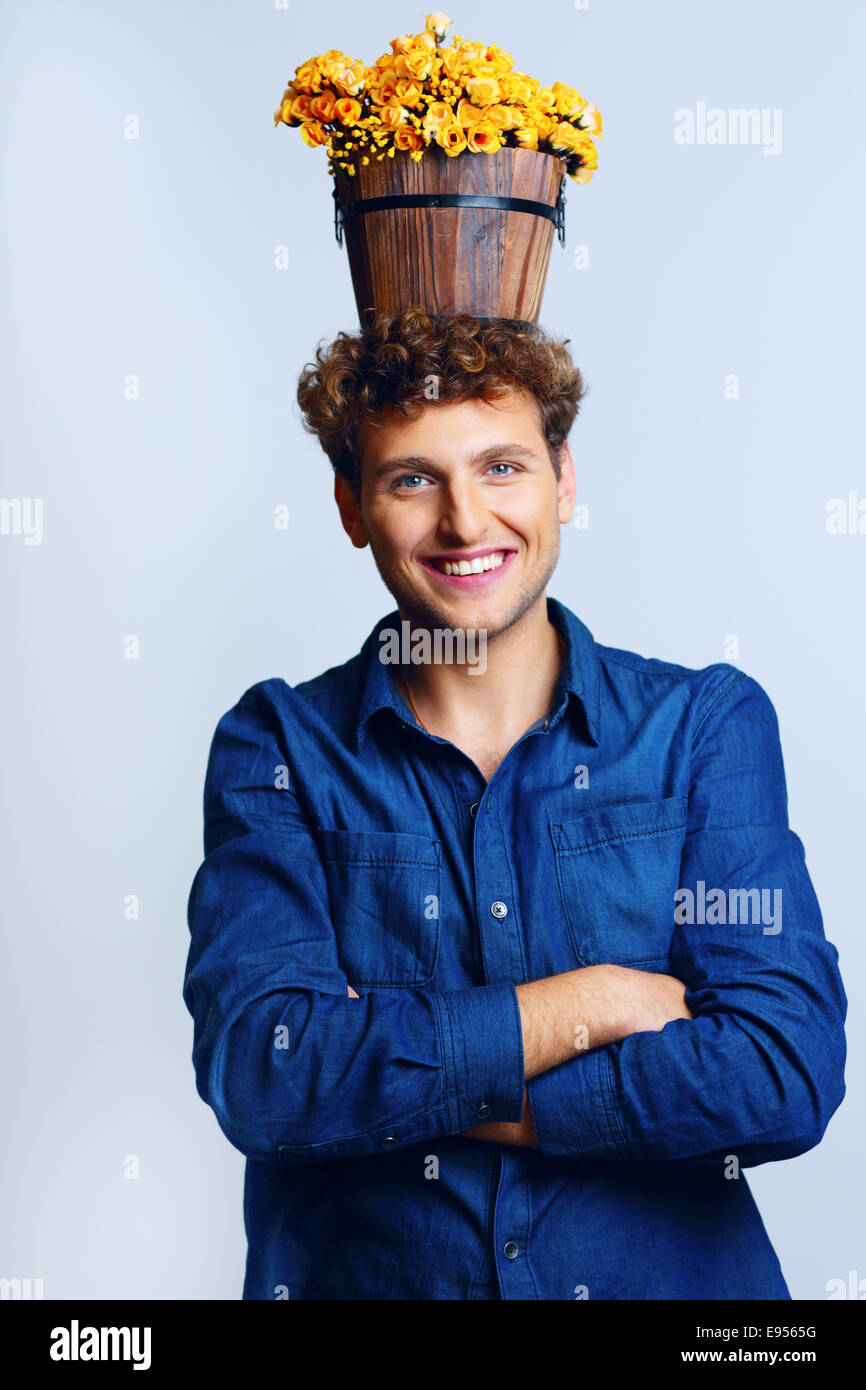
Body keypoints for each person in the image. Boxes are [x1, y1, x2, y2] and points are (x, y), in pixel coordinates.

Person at [183, 309, 847, 1300]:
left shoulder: (701, 726)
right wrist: (602, 1003)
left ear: (563, 480)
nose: (463, 521)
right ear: (350, 505)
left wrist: (396, 1072)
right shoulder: (278, 746)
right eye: (413, 477)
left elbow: (780, 1072)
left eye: (501, 467)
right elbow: (267, 1073)